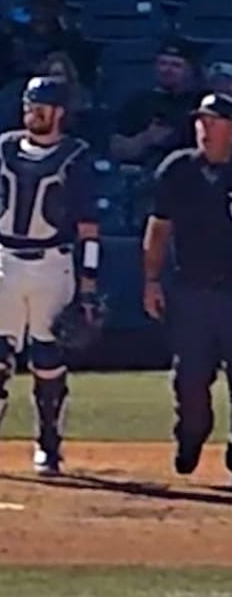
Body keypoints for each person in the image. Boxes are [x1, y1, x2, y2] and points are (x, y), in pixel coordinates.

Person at [0, 76, 100, 478]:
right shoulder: (7, 146)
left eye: (41, 106)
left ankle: (48, 447)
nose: (33, 111)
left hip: (53, 262)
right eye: (30, 104)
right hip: (7, 259)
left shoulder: (74, 154)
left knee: (47, 355)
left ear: (60, 112)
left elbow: (88, 227)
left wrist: (88, 283)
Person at [140, 92, 232, 479]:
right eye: (200, 121)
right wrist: (151, 281)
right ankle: (192, 433)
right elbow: (159, 231)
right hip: (191, 289)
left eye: (213, 121)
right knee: (190, 379)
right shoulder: (177, 169)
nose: (203, 128)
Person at [0, 0, 95, 93]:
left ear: (60, 8)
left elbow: (83, 82)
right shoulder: (8, 37)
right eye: (38, 2)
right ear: (29, 4)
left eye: (49, 4)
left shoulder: (72, 42)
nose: (42, 8)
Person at [110, 36, 202, 166]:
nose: (167, 70)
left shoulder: (204, 103)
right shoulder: (138, 102)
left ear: (191, 70)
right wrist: (147, 138)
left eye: (176, 65)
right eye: (163, 63)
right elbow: (116, 150)